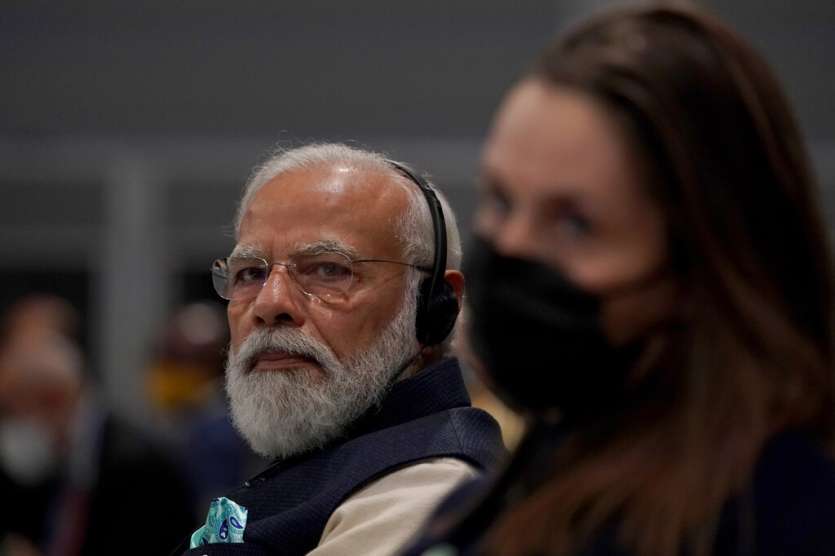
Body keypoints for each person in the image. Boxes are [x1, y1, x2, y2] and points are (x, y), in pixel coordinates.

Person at [403, 2, 835, 556]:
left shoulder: (781, 515)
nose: (512, 247)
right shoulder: (499, 495)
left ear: (699, 264)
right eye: (502, 201)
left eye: (575, 223)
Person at [175, 144, 504, 555]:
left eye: (329, 270)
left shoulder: (428, 493)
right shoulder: (331, 460)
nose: (269, 304)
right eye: (251, 273)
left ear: (435, 306)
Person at [0, 295, 194, 556]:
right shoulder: (60, 461)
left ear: (52, 400)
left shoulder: (141, 465)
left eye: (11, 410)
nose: (8, 423)